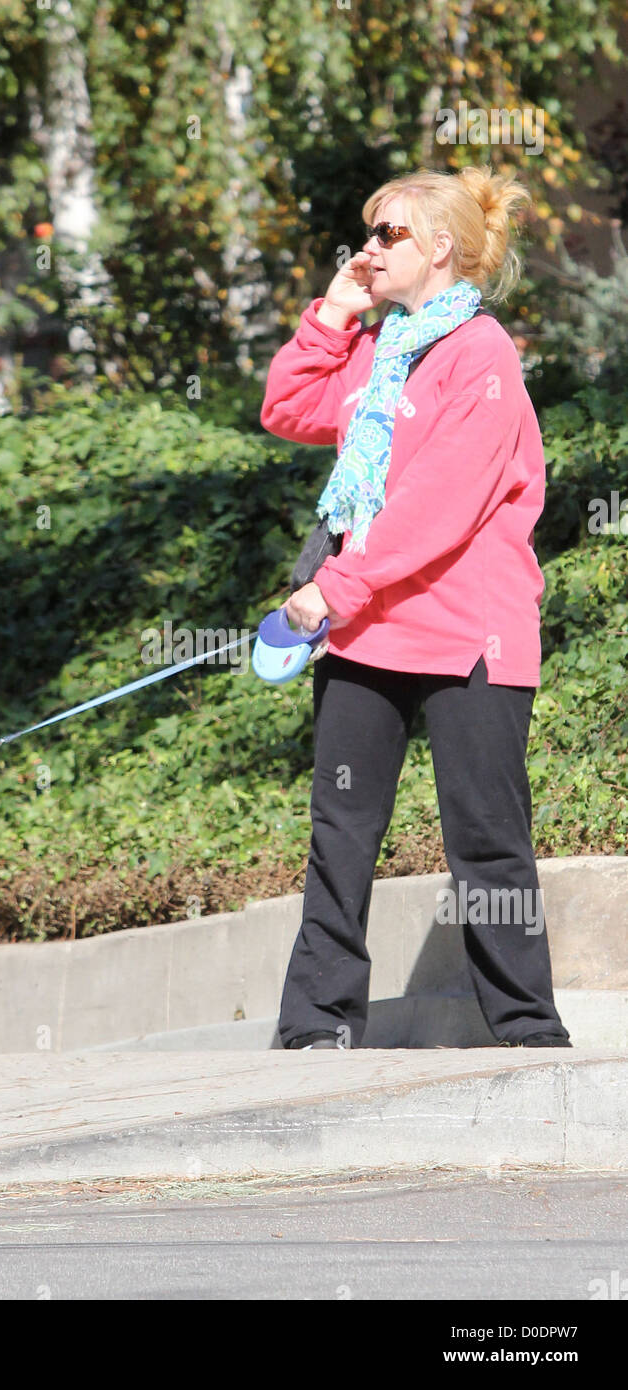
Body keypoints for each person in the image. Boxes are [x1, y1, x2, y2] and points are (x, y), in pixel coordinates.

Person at [259, 164, 570, 1051]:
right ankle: (316, 1028)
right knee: (341, 836)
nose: (367, 248)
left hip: (470, 637)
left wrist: (333, 589)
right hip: (368, 635)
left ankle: (527, 1032)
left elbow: (437, 509)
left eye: (386, 234)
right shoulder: (379, 350)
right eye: (366, 233)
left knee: (487, 841)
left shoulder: (482, 356)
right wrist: (331, 313)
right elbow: (287, 406)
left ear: (440, 249)